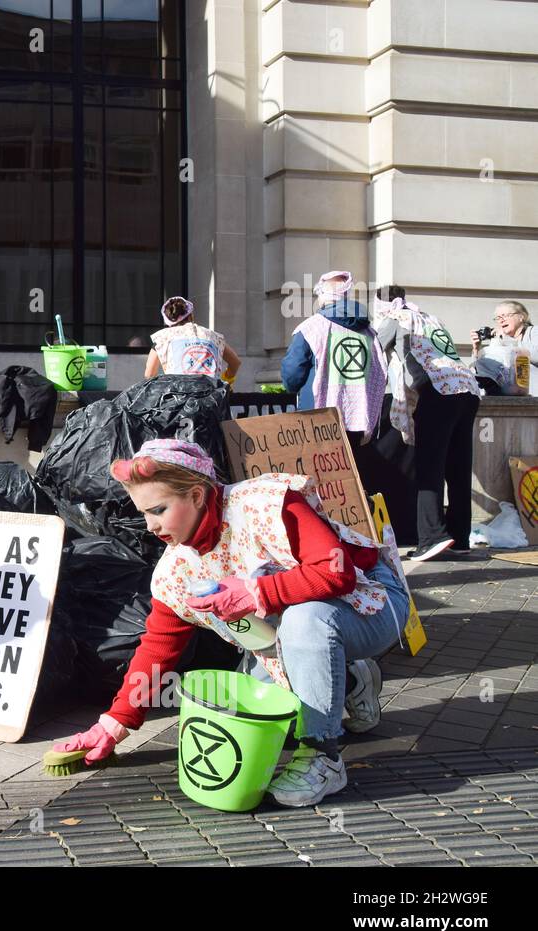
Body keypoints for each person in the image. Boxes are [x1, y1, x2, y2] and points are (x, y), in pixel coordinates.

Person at [53, 439, 410, 807]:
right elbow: (158, 647)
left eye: (158, 509)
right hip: (291, 636)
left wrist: (255, 594)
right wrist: (114, 723)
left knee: (305, 621)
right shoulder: (177, 569)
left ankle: (323, 756)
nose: (151, 526)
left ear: (195, 495)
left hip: (373, 601)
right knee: (261, 710)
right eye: (144, 513)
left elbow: (337, 576)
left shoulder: (266, 502)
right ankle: (352, 679)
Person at [372, 286, 482, 561]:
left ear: (379, 304)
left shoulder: (394, 318)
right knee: (458, 466)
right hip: (467, 388)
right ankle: (460, 537)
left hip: (437, 391)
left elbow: (374, 356)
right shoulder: (429, 317)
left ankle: (432, 538)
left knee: (429, 466)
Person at [281, 270, 388, 450]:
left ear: (324, 296)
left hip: (319, 419)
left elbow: (292, 377)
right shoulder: (369, 332)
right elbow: (380, 372)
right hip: (360, 418)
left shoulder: (311, 328)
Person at [144, 296, 242, 386]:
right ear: (191, 315)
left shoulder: (162, 337)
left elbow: (149, 374)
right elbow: (235, 362)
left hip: (178, 397)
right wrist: (228, 380)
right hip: (211, 398)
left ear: (168, 321)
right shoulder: (212, 336)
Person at [471, 300, 537, 396]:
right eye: (498, 318)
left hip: (533, 398)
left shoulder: (534, 332)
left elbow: (536, 354)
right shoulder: (499, 341)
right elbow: (482, 372)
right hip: (506, 399)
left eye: (505, 315)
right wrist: (476, 349)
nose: (501, 320)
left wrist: (509, 340)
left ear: (521, 317)